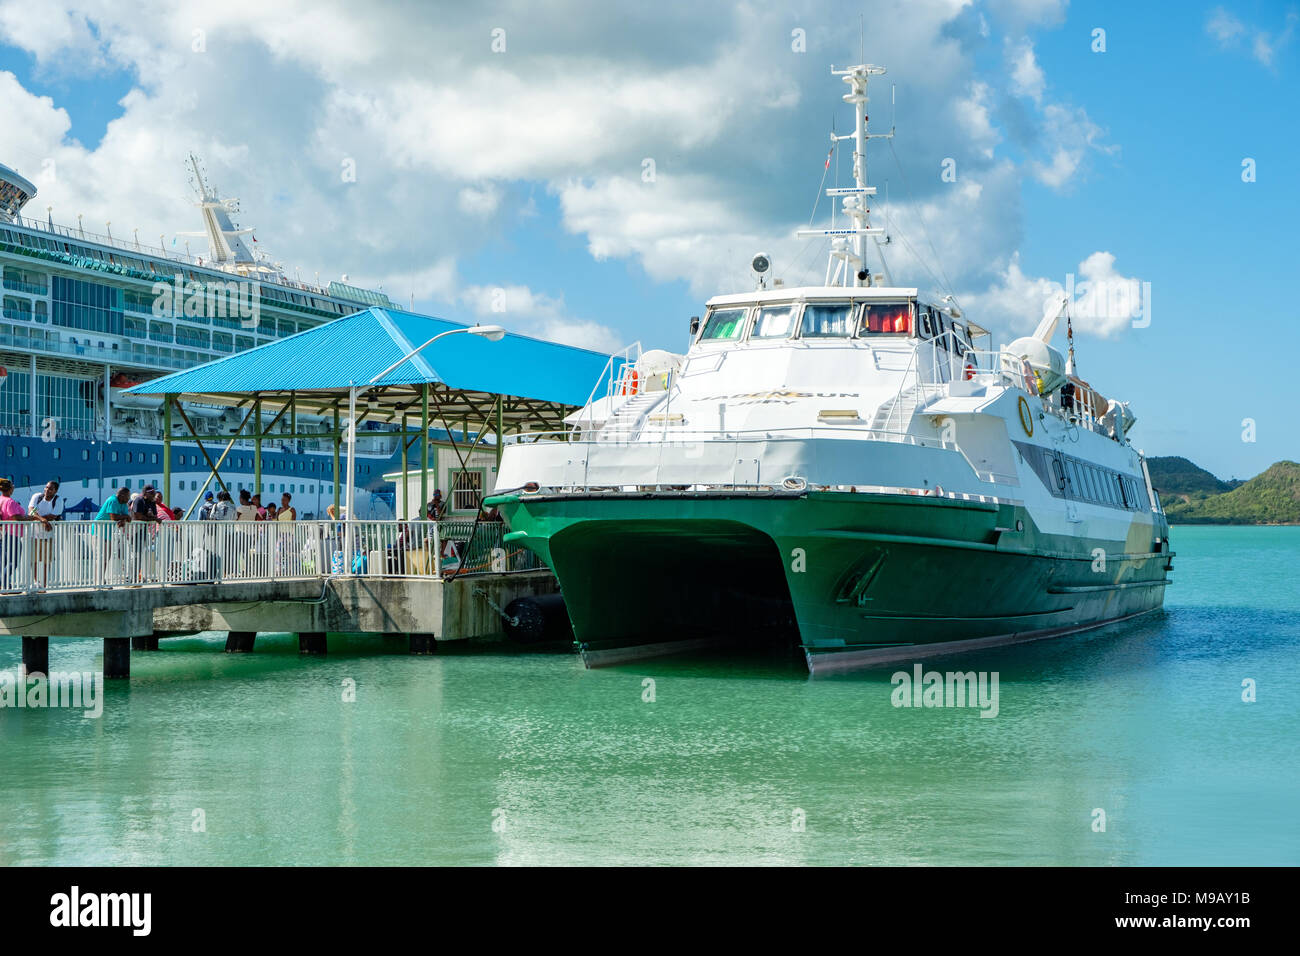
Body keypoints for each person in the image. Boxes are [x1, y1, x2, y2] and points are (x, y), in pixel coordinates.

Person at [1, 477, 51, 589]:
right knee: (12, 562)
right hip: (13, 534)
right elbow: (16, 517)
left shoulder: (1, 499)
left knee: (4, 562)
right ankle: (5, 587)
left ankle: (3, 585)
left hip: (5, 533)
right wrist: (31, 518)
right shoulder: (10, 502)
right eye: (12, 486)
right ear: (10, 489)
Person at [28, 480, 64, 588]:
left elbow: (53, 515)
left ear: (55, 491)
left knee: (46, 560)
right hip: (34, 533)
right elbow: (30, 511)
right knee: (33, 559)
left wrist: (39, 518)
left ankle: (43, 583)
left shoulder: (58, 500)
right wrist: (43, 520)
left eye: (50, 489)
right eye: (46, 487)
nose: (47, 490)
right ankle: (36, 582)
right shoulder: (37, 496)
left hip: (48, 535)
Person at [92, 487, 131, 583]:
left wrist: (123, 519)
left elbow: (125, 518)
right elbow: (114, 517)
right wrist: (125, 517)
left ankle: (100, 580)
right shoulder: (112, 500)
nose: (129, 498)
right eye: (127, 496)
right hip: (99, 531)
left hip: (107, 532)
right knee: (102, 556)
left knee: (106, 556)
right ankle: (99, 581)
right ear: (121, 496)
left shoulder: (123, 504)